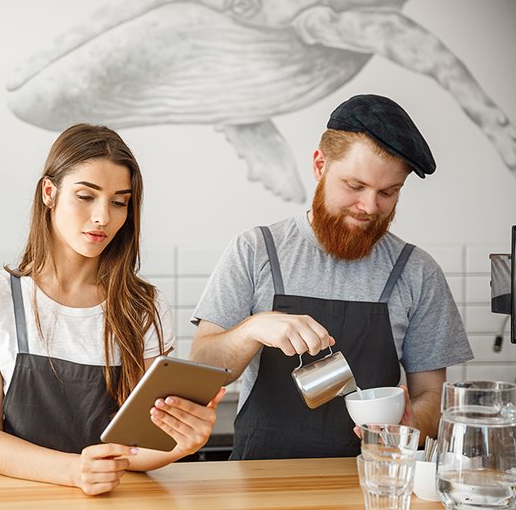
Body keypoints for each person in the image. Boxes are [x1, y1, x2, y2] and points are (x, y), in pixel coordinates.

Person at [189, 94, 473, 460]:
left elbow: (433, 396)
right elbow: (202, 368)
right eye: (355, 185)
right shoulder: (256, 250)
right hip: (258, 480)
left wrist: (412, 423)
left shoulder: (416, 271)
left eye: (388, 192)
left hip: (371, 480)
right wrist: (252, 329)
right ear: (320, 165)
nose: (370, 207)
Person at [0, 123, 225, 495]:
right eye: (86, 196)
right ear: (49, 193)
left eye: (119, 202)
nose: (103, 217)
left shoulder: (144, 308)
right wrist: (73, 471)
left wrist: (181, 443)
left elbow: (137, 447)